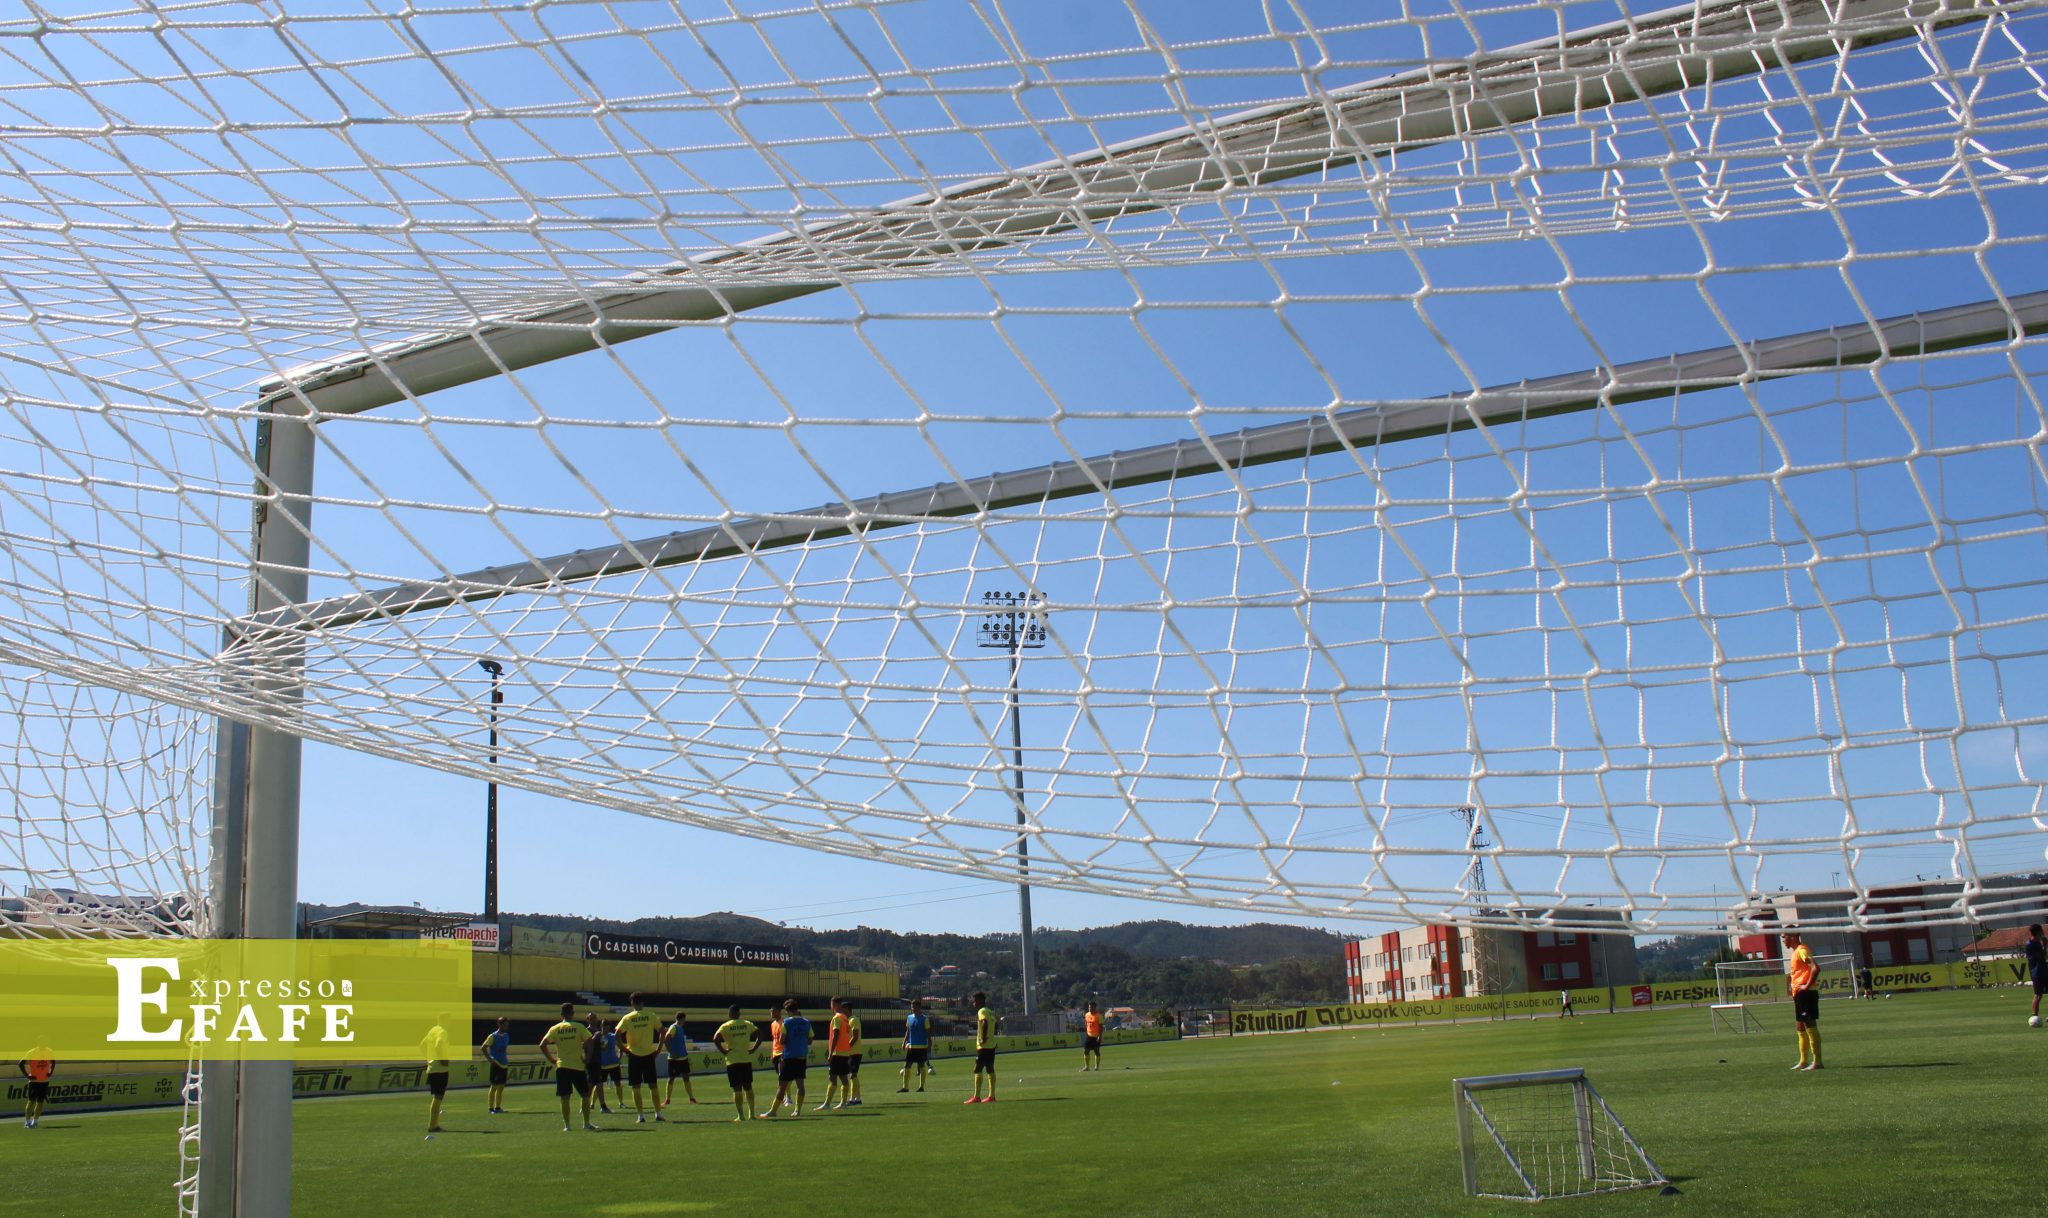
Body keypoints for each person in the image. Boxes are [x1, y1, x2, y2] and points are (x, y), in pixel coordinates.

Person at [541, 1002, 598, 1132]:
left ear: (561, 1015)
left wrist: (552, 1060)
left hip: (562, 1066)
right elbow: (590, 1042)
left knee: (565, 1097)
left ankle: (567, 1126)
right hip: (577, 1066)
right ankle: (586, 1124)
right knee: (584, 1095)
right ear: (573, 1014)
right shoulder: (579, 1027)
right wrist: (587, 1058)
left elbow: (542, 1044)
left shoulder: (556, 1028)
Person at [615, 993, 665, 1124]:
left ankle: (640, 1116)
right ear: (642, 1003)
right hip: (649, 1054)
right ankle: (658, 1113)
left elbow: (616, 1033)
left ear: (632, 1004)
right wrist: (659, 1048)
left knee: (635, 1086)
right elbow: (662, 1031)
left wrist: (623, 1048)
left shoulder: (627, 1018)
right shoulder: (651, 1015)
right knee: (653, 1085)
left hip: (634, 1055)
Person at [762, 999, 811, 1119]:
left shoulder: (787, 1022)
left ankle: (773, 1111)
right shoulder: (806, 1022)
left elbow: (781, 1040)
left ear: (788, 1011)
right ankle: (797, 1111)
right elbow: (810, 1040)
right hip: (801, 1057)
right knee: (800, 1085)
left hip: (789, 1057)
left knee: (782, 1085)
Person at [712, 1003, 759, 1123]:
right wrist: (753, 1049)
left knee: (737, 1088)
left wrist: (723, 1051)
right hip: (745, 1059)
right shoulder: (747, 1024)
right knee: (748, 1087)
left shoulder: (726, 1026)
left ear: (730, 1014)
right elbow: (760, 1035)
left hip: (732, 1061)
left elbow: (715, 1038)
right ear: (739, 1013)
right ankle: (752, 1114)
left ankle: (740, 1115)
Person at [1786, 933, 1823, 1071]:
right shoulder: (1796, 952)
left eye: (1784, 937)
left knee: (1810, 1025)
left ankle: (1818, 1062)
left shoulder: (1802, 950)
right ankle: (1803, 1061)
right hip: (1799, 994)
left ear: (1792, 937)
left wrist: (1806, 985)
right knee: (1800, 1027)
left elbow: (1815, 967)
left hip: (1807, 993)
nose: (1783, 940)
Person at [420, 1013, 453, 1138]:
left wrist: (429, 1059)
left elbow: (422, 1046)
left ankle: (434, 1124)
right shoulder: (442, 1032)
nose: (450, 1023)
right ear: (444, 1020)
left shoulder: (433, 1030)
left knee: (437, 1096)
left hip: (433, 1067)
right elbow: (439, 1044)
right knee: (438, 1097)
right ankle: (433, 1125)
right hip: (440, 1068)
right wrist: (442, 1060)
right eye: (449, 1020)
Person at [661, 1009, 698, 1108]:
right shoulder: (674, 1027)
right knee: (671, 1079)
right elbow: (666, 1038)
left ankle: (691, 1098)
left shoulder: (679, 1028)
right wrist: (671, 1052)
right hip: (674, 1059)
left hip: (683, 1057)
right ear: (682, 1019)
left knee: (686, 1077)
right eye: (684, 1019)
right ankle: (667, 1099)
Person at [967, 990, 997, 1104]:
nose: (973, 1003)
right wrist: (991, 1036)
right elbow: (996, 1024)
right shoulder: (991, 1012)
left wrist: (983, 1038)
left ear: (979, 1001)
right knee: (990, 1069)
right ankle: (991, 1096)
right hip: (991, 1045)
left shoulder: (982, 1011)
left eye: (974, 1001)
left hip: (983, 1046)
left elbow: (984, 1023)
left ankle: (976, 1096)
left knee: (977, 1069)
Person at [582, 1013, 616, 1113]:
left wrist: (604, 1045)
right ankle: (589, 1105)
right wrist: (594, 1037)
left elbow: (602, 1046)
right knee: (593, 1083)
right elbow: (583, 1045)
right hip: (590, 1060)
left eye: (595, 1018)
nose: (593, 1020)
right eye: (591, 1018)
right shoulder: (586, 1031)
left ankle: (597, 1106)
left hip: (598, 1060)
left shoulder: (598, 1031)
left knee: (597, 1083)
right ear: (587, 1019)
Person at [16, 1045, 54, 1129]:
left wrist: (50, 1072)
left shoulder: (49, 1051)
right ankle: (27, 1122)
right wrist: (27, 1076)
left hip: (44, 1081)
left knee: (40, 1102)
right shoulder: (32, 1052)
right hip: (34, 1081)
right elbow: (20, 1063)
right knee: (31, 1101)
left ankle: (35, 1121)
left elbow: (53, 1062)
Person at [899, 998, 932, 1093]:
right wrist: (904, 1042)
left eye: (913, 1007)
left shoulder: (924, 1019)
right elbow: (908, 1031)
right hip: (911, 1046)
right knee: (906, 1065)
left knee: (921, 1065)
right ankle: (905, 1087)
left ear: (918, 1007)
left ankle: (921, 1087)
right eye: (911, 1007)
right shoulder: (909, 1018)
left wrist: (929, 1044)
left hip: (921, 1047)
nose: (912, 1008)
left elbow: (928, 1033)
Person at [481, 1016, 512, 1114]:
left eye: (507, 1025)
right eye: (505, 1025)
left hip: (504, 1064)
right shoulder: (493, 1036)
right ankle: (490, 1108)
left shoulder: (507, 1036)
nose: (506, 1027)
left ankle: (498, 1107)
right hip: (496, 1064)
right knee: (494, 1086)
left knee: (501, 1086)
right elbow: (483, 1047)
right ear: (499, 1025)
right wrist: (490, 1059)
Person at [2028, 924, 2046, 1022]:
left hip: (2043, 970)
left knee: (2039, 994)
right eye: (2041, 930)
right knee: (2038, 994)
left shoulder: (2037, 942)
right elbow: (2042, 956)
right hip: (2037, 972)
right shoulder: (2030, 944)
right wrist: (2045, 945)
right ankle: (2034, 1017)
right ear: (2038, 932)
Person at [1081, 1001, 1104, 1072]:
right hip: (1089, 1035)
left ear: (1095, 1008)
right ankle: (1087, 1067)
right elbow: (1086, 1023)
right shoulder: (1087, 1015)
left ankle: (1097, 1067)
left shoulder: (1099, 1016)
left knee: (1096, 1051)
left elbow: (1101, 1027)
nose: (1090, 1008)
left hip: (1096, 1036)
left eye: (1091, 1007)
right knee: (1085, 1050)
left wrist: (1099, 1036)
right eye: (1089, 1007)